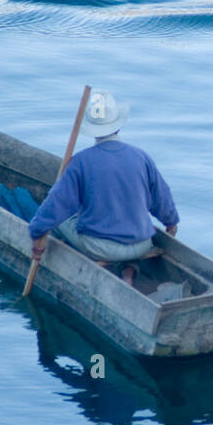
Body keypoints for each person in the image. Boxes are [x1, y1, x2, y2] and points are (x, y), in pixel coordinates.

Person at [28, 90, 178, 286]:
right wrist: (171, 224)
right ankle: (131, 269)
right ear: (117, 126)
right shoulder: (142, 157)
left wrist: (37, 234)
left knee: (61, 221)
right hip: (142, 244)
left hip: (100, 248)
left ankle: (100, 267)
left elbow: (55, 206)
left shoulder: (80, 162)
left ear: (92, 129)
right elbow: (163, 200)